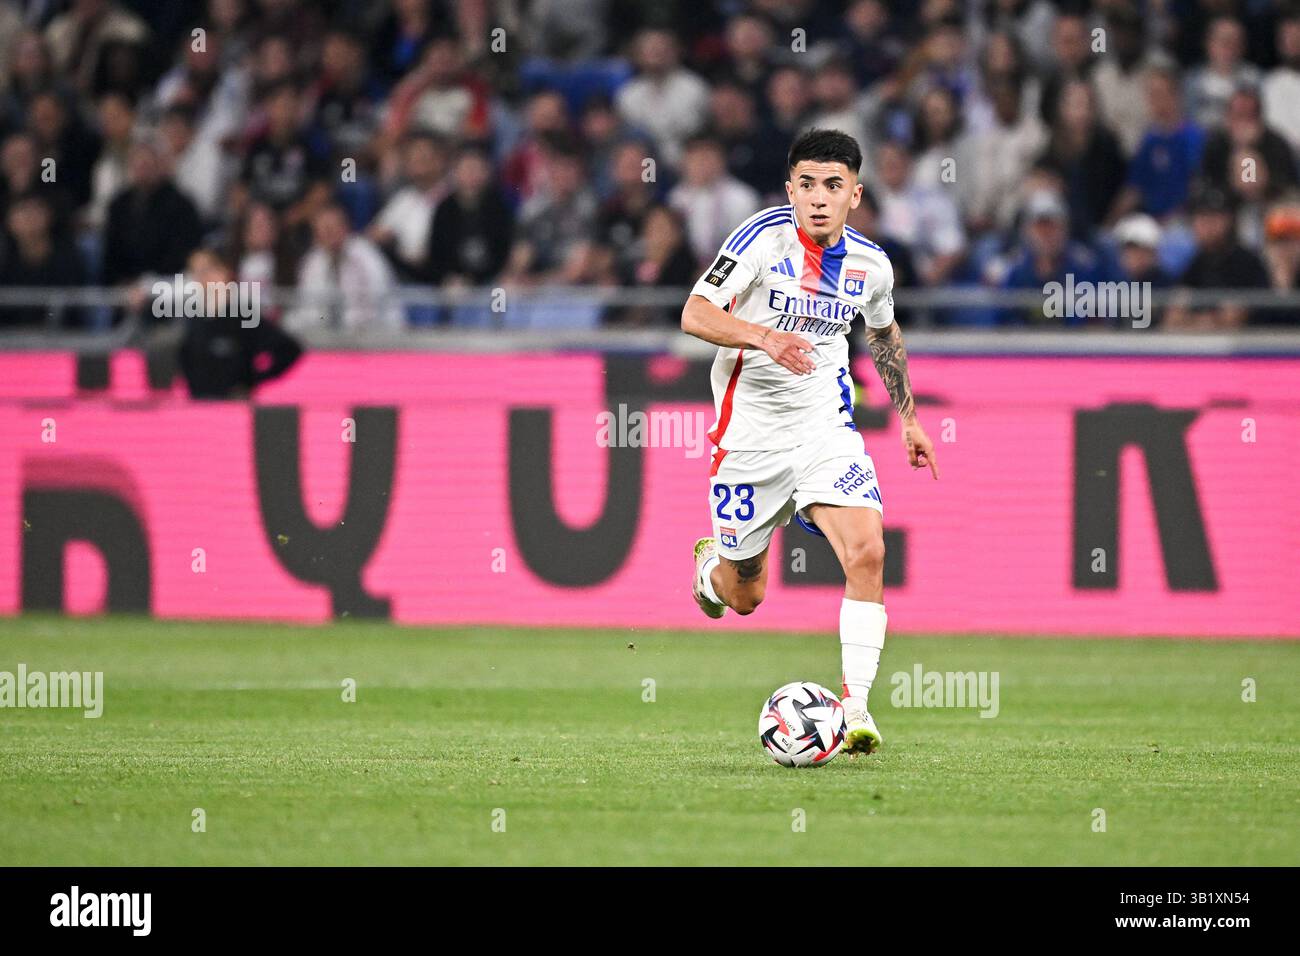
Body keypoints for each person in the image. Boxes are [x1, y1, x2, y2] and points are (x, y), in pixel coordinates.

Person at [680, 128, 939, 757]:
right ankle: (711, 571)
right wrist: (764, 338)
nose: (818, 198)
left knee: (869, 552)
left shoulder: (871, 264)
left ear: (856, 193)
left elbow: (883, 334)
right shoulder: (760, 240)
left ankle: (855, 709)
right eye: (806, 184)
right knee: (747, 596)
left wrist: (907, 416)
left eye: (833, 185)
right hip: (750, 440)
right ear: (789, 188)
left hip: (827, 431)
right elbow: (694, 313)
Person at [177, 247, 303, 399]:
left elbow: (288, 349)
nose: (201, 278)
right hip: (199, 408)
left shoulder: (243, 315)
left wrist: (254, 379)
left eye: (206, 270)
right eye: (195, 272)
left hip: (236, 409)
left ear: (225, 272)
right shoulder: (193, 316)